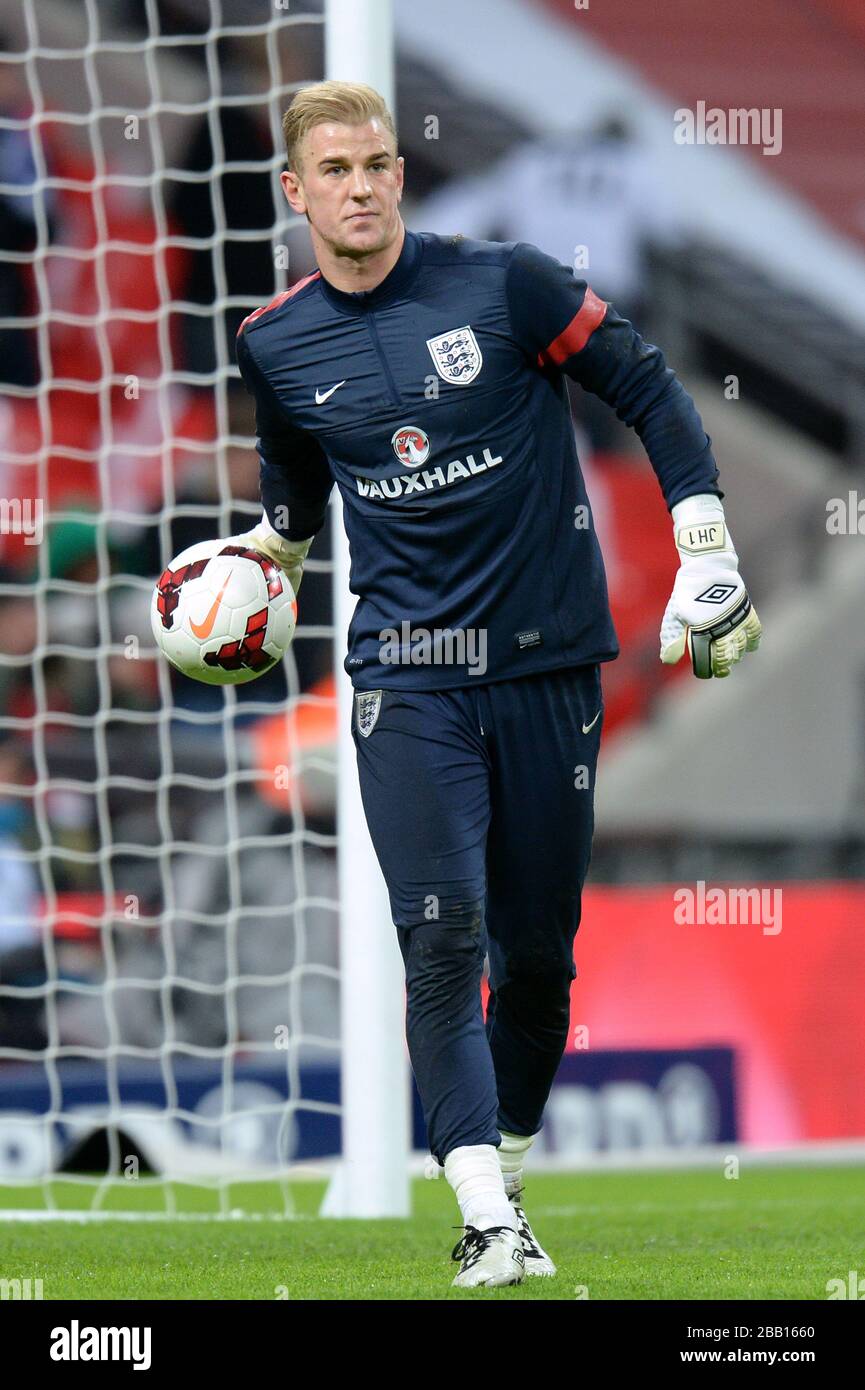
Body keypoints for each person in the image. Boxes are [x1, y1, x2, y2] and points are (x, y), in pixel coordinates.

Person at [230, 82, 761, 1288]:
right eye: (338, 170)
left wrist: (709, 550)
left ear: (397, 178)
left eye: (378, 164)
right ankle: (481, 1215)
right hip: (404, 676)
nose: (362, 186)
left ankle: (504, 1177)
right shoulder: (274, 339)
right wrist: (262, 571)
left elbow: (649, 390)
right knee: (440, 934)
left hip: (546, 668)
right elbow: (293, 494)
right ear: (296, 191)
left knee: (537, 961)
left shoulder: (508, 283)